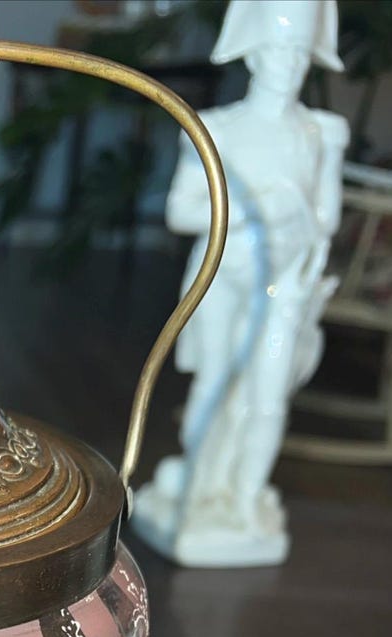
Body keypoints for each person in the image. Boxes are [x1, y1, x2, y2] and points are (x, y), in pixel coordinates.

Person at [132, 0, 348, 567]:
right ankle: (201, 487)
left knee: (268, 394)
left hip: (285, 282)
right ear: (253, 53)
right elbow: (181, 211)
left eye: (299, 51)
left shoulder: (322, 132)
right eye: (277, 48)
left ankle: (246, 498)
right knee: (215, 382)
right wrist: (250, 214)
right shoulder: (217, 129)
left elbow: (327, 217)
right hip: (222, 276)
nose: (288, 62)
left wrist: (297, 214)